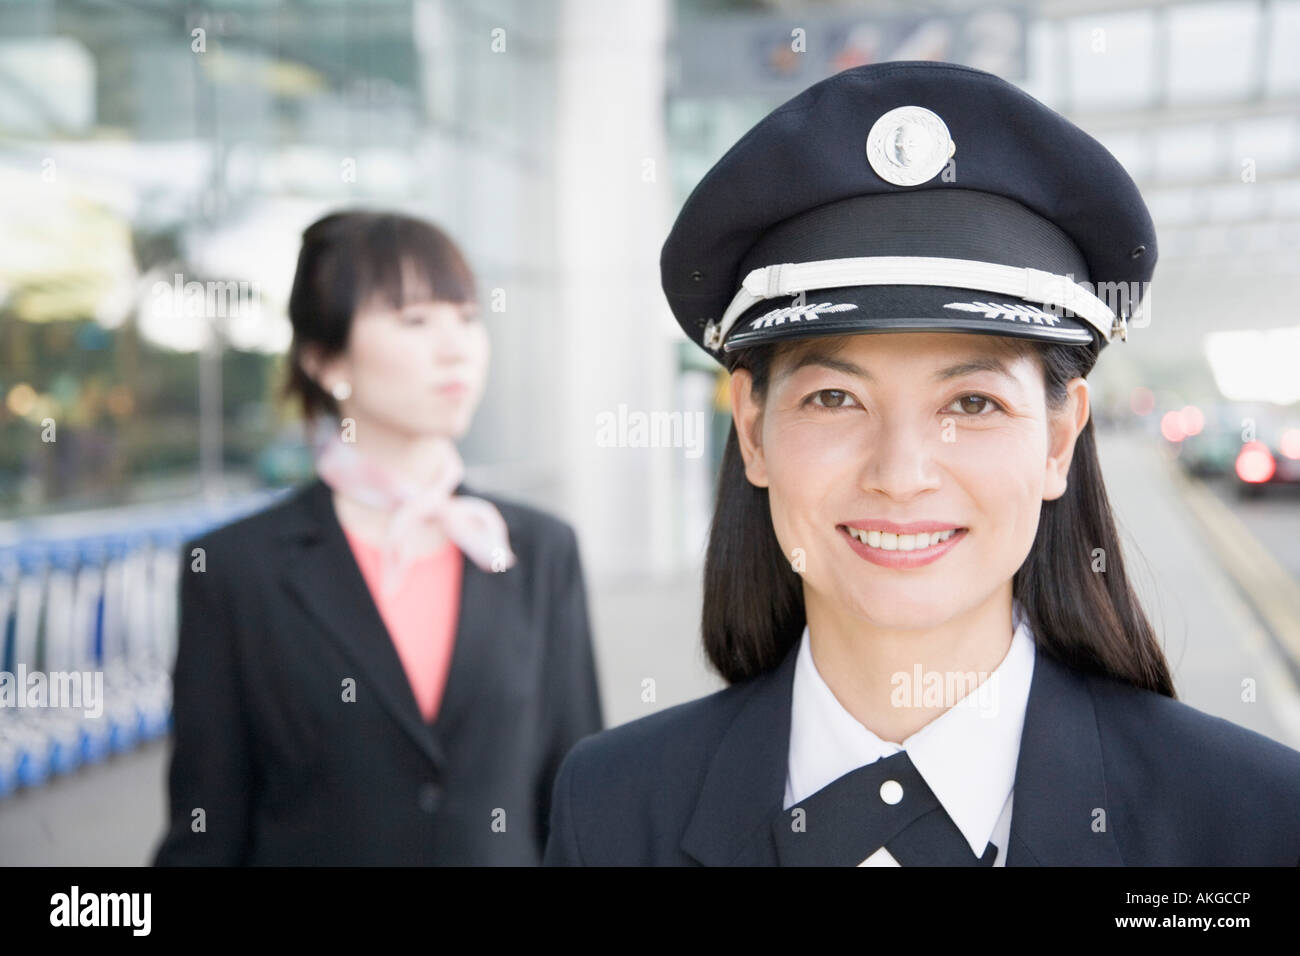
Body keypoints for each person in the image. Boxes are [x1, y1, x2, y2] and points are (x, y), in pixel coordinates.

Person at [543, 61, 1300, 866]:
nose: (901, 474)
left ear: (1057, 440)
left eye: (971, 404)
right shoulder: (613, 810)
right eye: (835, 399)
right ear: (754, 430)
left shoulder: (1252, 824)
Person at [154, 210, 603, 865]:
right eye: (415, 320)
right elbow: (206, 831)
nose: (455, 347)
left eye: (467, 317)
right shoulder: (234, 570)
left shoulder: (536, 550)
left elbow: (579, 806)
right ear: (325, 359)